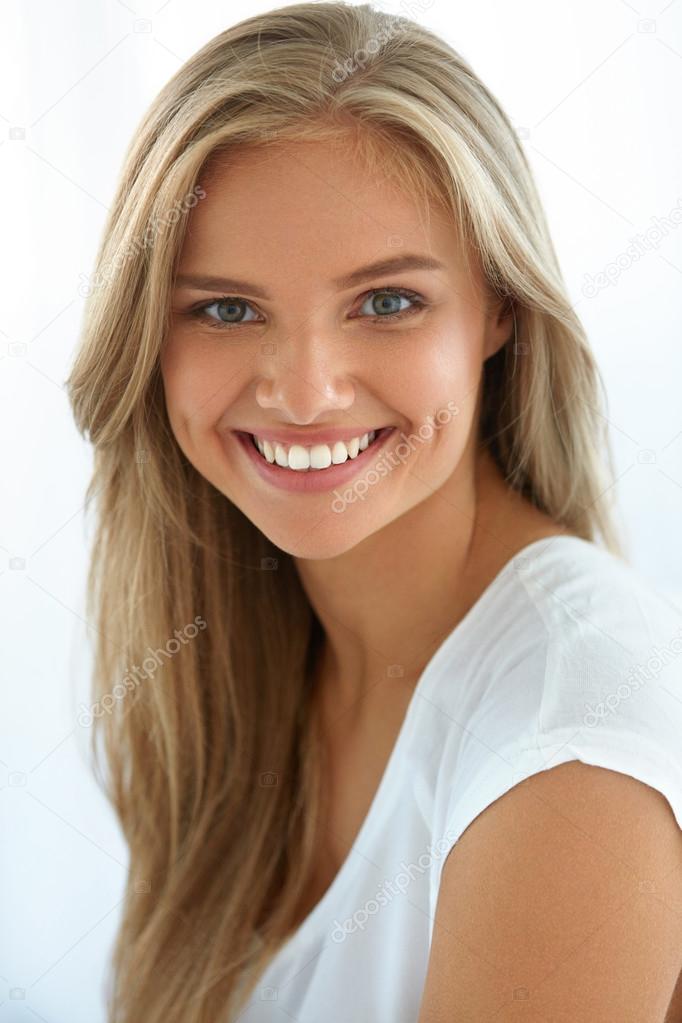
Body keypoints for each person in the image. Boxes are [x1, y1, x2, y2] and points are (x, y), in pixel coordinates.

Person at [66, 3, 682, 1021]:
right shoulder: (229, 666)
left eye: (386, 301)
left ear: (498, 309)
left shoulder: (570, 752)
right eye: (226, 308)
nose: (304, 395)